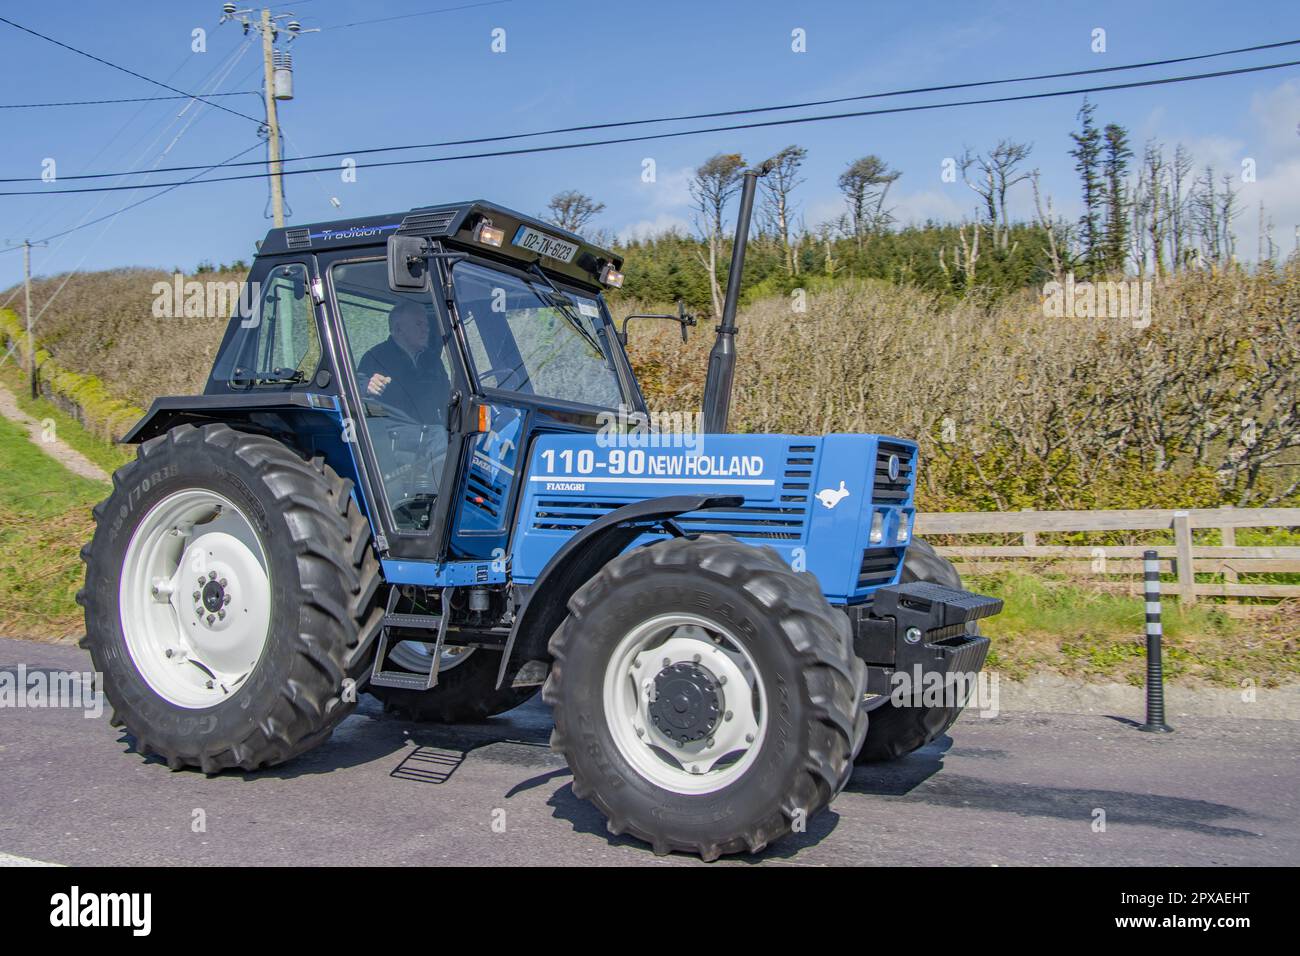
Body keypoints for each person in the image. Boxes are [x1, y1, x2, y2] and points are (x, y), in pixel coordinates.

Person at [357, 299, 449, 424]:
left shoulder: (433, 360)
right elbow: (355, 389)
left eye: (426, 325)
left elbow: (446, 399)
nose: (426, 330)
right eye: (418, 324)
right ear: (398, 329)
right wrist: (368, 387)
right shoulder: (375, 357)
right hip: (394, 434)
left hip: (432, 434)